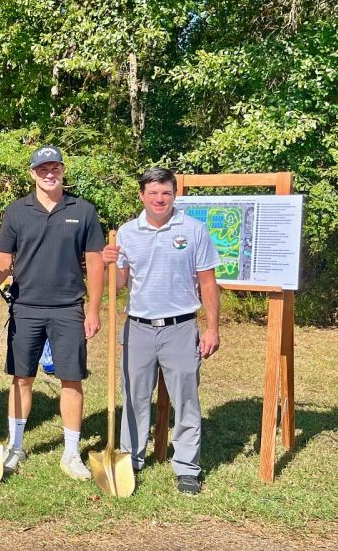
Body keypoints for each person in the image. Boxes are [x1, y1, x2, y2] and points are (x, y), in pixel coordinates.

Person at [0, 146, 104, 481]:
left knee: (71, 379)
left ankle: (71, 452)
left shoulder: (84, 210)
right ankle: (15, 448)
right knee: (22, 378)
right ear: (32, 173)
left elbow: (94, 263)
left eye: (55, 168)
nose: (50, 174)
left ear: (63, 171)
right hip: (26, 307)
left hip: (68, 308)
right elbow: (4, 262)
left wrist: (93, 309)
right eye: (43, 168)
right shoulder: (17, 211)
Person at [101, 167, 221, 495]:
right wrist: (109, 262)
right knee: (135, 398)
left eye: (165, 193)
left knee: (186, 400)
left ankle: (186, 469)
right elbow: (120, 284)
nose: (159, 199)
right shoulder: (126, 233)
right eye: (152, 193)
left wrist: (211, 328)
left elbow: (208, 283)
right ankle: (130, 459)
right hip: (138, 327)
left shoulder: (194, 230)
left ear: (174, 194)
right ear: (141, 195)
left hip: (180, 327)